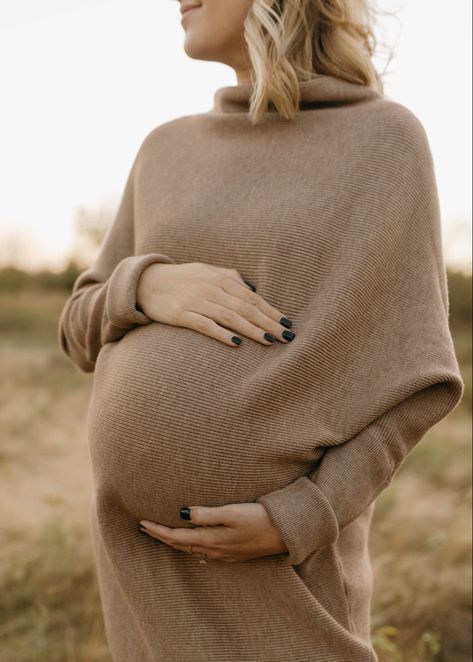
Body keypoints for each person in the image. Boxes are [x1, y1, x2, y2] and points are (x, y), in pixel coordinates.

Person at [58, 0, 464, 660]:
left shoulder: (384, 139)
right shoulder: (164, 149)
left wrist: (304, 516)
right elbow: (77, 329)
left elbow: (417, 383)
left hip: (282, 573)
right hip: (144, 565)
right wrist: (145, 285)